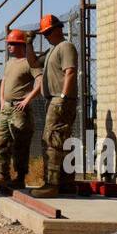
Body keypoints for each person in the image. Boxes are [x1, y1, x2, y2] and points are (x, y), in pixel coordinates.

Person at [0, 28, 42, 190]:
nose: (9, 47)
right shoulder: (10, 63)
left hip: (20, 110)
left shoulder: (30, 62)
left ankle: (19, 177)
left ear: (21, 45)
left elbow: (40, 82)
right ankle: (2, 175)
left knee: (20, 145)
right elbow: (4, 81)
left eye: (12, 44)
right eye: (8, 44)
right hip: (6, 109)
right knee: (0, 143)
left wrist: (27, 100)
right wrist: (2, 101)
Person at [35, 13, 78, 197]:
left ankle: (51, 184)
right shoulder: (52, 50)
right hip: (55, 99)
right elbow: (33, 63)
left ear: (58, 29)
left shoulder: (65, 46)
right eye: (44, 34)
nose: (46, 36)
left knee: (51, 140)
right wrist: (29, 44)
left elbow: (70, 72)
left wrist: (62, 96)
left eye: (48, 32)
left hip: (61, 100)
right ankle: (66, 183)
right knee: (62, 141)